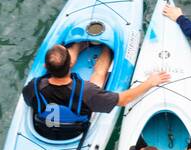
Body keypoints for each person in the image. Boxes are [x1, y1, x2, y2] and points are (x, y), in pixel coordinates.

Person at [23, 43, 170, 142]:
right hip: (75, 132)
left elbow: (29, 101)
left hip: (44, 131)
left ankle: (79, 45)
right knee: (99, 74)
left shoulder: (33, 87)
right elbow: (124, 99)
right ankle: (107, 49)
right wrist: (150, 82)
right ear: (71, 65)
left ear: (45, 66)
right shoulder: (87, 91)